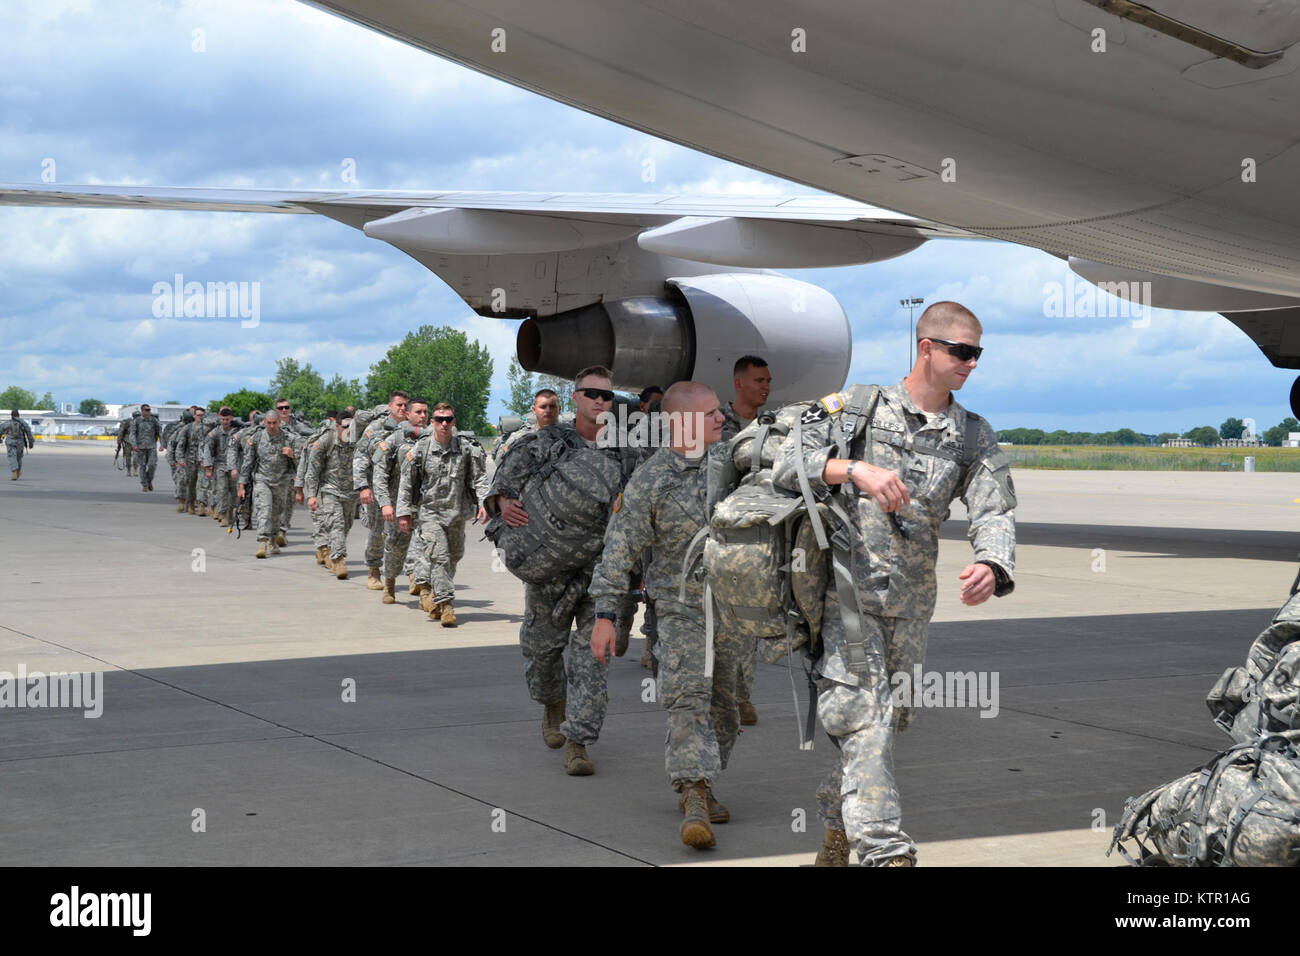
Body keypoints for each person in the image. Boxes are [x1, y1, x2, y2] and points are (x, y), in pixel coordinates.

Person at [774, 301, 1016, 867]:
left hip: (910, 608)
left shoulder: (971, 434)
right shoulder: (857, 408)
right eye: (961, 351)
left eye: (978, 353)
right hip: (845, 597)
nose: (971, 363)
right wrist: (852, 469)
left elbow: (995, 507)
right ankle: (886, 853)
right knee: (865, 723)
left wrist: (993, 563)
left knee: (890, 723)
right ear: (926, 348)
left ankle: (837, 829)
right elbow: (788, 462)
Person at [590, 381, 738, 848]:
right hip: (680, 609)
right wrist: (605, 614)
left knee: (727, 707)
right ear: (683, 422)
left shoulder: (734, 465)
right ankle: (694, 796)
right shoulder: (651, 480)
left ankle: (705, 780)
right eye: (712, 413)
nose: (722, 420)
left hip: (737, 611)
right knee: (687, 699)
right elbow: (620, 550)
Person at [484, 366, 640, 776]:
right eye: (591, 394)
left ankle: (579, 740)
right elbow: (502, 486)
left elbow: (639, 510)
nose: (599, 402)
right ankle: (553, 704)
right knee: (541, 653)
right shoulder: (547, 442)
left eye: (607, 396)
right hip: (550, 569)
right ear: (576, 397)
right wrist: (502, 503)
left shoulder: (625, 452)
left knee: (593, 659)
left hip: (598, 573)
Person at [396, 402, 488, 625]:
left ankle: (433, 594)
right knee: (440, 558)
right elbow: (406, 484)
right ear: (432, 423)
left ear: (454, 422)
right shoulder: (420, 449)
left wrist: (486, 503)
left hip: (456, 514)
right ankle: (447, 605)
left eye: (448, 419)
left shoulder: (466, 449)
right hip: (430, 515)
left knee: (453, 558)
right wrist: (403, 512)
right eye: (439, 419)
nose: (444, 423)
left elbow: (479, 479)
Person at [722, 355, 772, 726]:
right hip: (722, 541)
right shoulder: (716, 426)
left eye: (768, 380)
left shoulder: (774, 430)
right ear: (739, 383)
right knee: (723, 626)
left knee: (750, 625)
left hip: (759, 544)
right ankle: (724, 694)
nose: (765, 386)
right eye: (758, 380)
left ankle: (742, 694)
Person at [372, 399, 429, 604]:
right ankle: (389, 583)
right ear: (408, 415)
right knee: (395, 547)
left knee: (424, 547)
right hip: (398, 505)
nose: (423, 416)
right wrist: (385, 502)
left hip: (424, 506)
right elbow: (379, 474)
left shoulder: (433, 438)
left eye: (425, 412)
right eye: (418, 412)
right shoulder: (393, 440)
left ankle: (423, 588)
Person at [354, 392, 409, 591]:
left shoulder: (413, 428)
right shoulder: (375, 428)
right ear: (390, 406)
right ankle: (374, 570)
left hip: (404, 489)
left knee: (407, 531)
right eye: (399, 405)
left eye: (405, 406)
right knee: (377, 531)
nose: (402, 409)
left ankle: (412, 574)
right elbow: (360, 458)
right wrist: (363, 486)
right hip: (378, 487)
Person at [238, 409, 300, 559]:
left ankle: (273, 540)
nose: (271, 426)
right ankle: (262, 542)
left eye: (274, 423)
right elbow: (248, 462)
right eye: (269, 423)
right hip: (262, 479)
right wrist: (242, 485)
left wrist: (292, 455)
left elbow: (301, 463)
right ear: (264, 423)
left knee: (276, 513)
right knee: (264, 509)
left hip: (282, 481)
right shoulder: (257, 438)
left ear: (279, 422)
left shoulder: (289, 438)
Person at [305, 413, 358, 579]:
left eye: (352, 426)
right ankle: (339, 560)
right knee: (337, 524)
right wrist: (311, 495)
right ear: (337, 426)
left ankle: (334, 550)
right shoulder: (326, 441)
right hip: (330, 490)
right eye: (345, 427)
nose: (349, 430)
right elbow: (313, 470)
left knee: (346, 525)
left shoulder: (358, 442)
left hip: (350, 492)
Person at [202, 407, 238, 526]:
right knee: (222, 490)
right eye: (223, 419)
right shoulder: (215, 432)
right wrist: (208, 467)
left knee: (233, 491)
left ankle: (231, 512)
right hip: (220, 465)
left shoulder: (237, 431)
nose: (225, 422)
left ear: (231, 418)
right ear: (220, 419)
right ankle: (223, 515)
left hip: (235, 466)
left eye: (227, 419)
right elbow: (207, 449)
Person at [129, 404, 165, 492]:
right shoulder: (136, 421)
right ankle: (144, 485)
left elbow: (160, 432)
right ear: (142, 411)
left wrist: (162, 444)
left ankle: (149, 481)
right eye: (146, 410)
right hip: (140, 447)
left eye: (149, 410)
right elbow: (132, 434)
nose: (148, 411)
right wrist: (134, 445)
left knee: (152, 465)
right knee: (142, 466)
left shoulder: (154, 420)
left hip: (151, 446)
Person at [1, 410, 34, 479]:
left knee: (12, 456)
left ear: (11, 415)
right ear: (18, 415)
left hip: (10, 442)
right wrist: (31, 442)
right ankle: (18, 471)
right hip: (20, 442)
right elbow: (29, 432)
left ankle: (14, 471)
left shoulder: (7, 423)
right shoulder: (23, 423)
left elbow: (0, 430)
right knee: (19, 457)